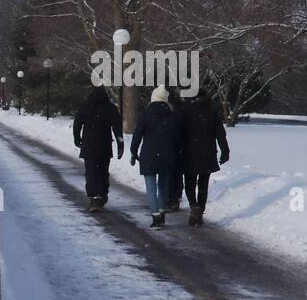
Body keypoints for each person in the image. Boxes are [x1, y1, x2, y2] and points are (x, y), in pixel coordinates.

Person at [130, 85, 183, 228]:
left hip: (148, 155)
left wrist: (133, 151)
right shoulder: (173, 116)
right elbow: (178, 138)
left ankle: (156, 217)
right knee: (163, 186)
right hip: (167, 155)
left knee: (151, 187)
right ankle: (162, 212)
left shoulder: (146, 115)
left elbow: (137, 135)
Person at [180, 93, 230, 227]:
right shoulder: (212, 113)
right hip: (207, 153)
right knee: (203, 184)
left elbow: (179, 133)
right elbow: (221, 135)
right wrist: (225, 152)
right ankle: (200, 210)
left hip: (189, 153)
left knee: (189, 182)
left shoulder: (187, 112)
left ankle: (193, 205)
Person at [72, 87, 123, 211]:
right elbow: (117, 127)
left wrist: (77, 138)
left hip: (89, 144)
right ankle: (102, 194)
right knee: (103, 171)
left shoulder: (86, 106)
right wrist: (120, 143)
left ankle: (94, 196)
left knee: (91, 172)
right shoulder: (110, 108)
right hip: (104, 145)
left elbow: (77, 122)